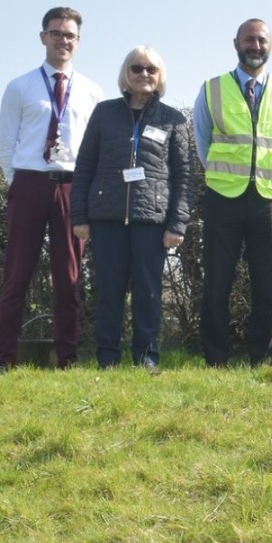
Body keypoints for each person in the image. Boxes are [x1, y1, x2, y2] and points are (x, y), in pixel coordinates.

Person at [0, 7, 104, 370]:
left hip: (72, 187)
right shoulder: (20, 86)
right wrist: (18, 184)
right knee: (17, 276)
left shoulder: (91, 91)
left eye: (70, 34)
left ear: (79, 41)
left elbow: (94, 149)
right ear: (43, 37)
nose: (63, 40)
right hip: (29, 184)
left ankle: (67, 360)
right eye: (56, 33)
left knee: (69, 280)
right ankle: (5, 359)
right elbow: (6, 143)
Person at [71, 46, 193, 371]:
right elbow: (84, 167)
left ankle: (147, 358)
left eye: (151, 69)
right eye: (137, 68)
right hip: (106, 217)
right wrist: (79, 217)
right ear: (126, 73)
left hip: (151, 221)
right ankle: (107, 359)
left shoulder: (173, 120)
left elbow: (184, 176)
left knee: (149, 292)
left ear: (160, 76)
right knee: (108, 291)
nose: (144, 75)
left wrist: (177, 223)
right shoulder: (104, 113)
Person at [193, 19, 272, 366]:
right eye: (249, 39)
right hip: (223, 196)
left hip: (269, 197)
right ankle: (216, 357)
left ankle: (263, 357)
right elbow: (202, 141)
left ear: (271, 44)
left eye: (262, 40)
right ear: (236, 43)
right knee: (217, 282)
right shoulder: (211, 88)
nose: (255, 45)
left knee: (267, 284)